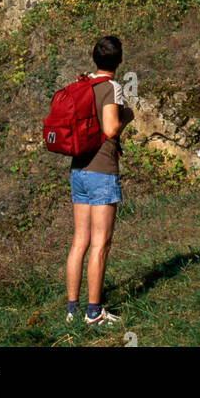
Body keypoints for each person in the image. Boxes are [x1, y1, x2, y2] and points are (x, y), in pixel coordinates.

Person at [65, 34, 134, 324]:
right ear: (119, 62)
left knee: (79, 241)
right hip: (101, 169)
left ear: (95, 59)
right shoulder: (111, 87)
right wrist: (126, 115)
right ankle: (94, 312)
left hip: (78, 169)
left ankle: (71, 310)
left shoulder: (83, 83)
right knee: (100, 243)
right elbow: (109, 128)